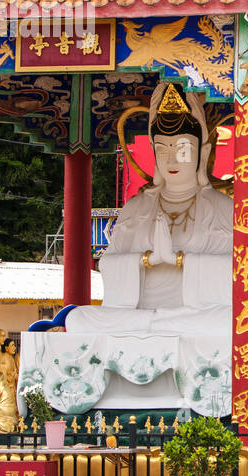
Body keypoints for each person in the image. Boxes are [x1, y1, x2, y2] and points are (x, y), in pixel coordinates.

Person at [65, 82, 233, 334]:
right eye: (162, 148)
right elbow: (108, 263)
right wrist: (147, 259)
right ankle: (154, 323)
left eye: (183, 149)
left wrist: (179, 260)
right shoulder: (137, 207)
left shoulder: (224, 208)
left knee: (228, 320)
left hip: (195, 316)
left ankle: (157, 324)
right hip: (139, 314)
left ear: (203, 151)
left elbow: (240, 270)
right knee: (78, 317)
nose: (172, 158)